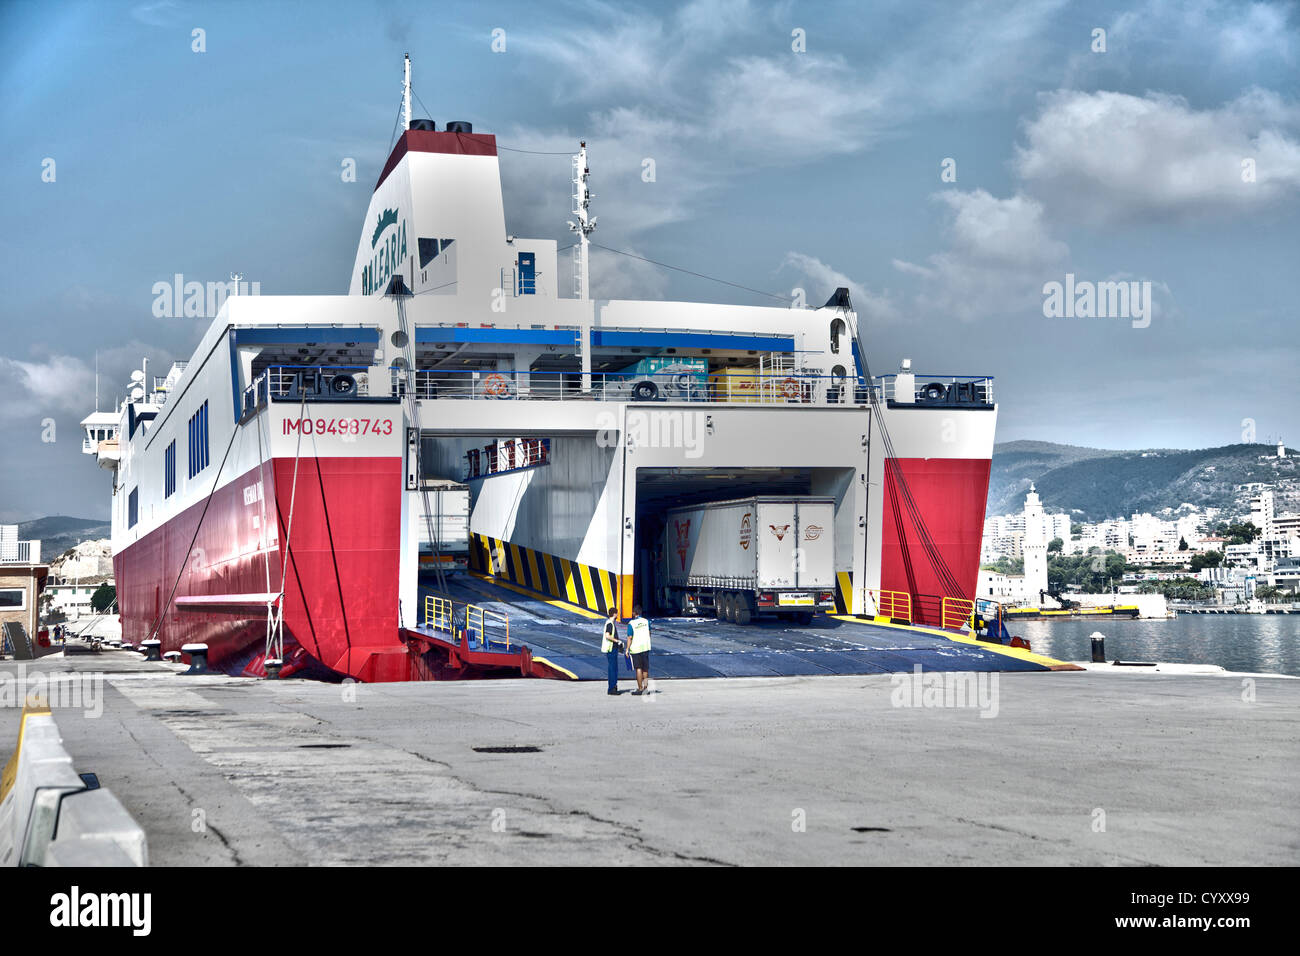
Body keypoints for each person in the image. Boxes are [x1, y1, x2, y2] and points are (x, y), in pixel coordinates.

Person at [626, 604, 652, 695]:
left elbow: (630, 637)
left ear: (634, 613)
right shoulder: (647, 621)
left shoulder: (631, 624)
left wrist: (627, 649)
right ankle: (646, 688)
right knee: (645, 669)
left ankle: (640, 688)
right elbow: (649, 633)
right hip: (645, 647)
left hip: (636, 648)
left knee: (638, 668)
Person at [601, 607, 623, 695]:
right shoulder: (610, 624)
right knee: (613, 669)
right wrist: (617, 641)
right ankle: (612, 688)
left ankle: (613, 686)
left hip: (612, 649)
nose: (617, 615)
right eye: (617, 613)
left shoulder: (610, 623)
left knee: (613, 668)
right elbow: (607, 635)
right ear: (614, 614)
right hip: (611, 649)